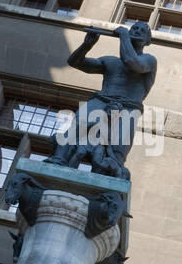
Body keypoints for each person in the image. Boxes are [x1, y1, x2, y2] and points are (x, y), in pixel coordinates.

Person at [48, 21, 157, 181]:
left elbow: (131, 62)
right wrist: (87, 45)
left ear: (148, 41)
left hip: (127, 108)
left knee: (118, 146)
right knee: (76, 128)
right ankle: (58, 161)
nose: (137, 31)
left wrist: (124, 36)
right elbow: (75, 62)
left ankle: (106, 175)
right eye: (134, 28)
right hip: (100, 100)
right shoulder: (110, 61)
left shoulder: (149, 60)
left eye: (143, 30)